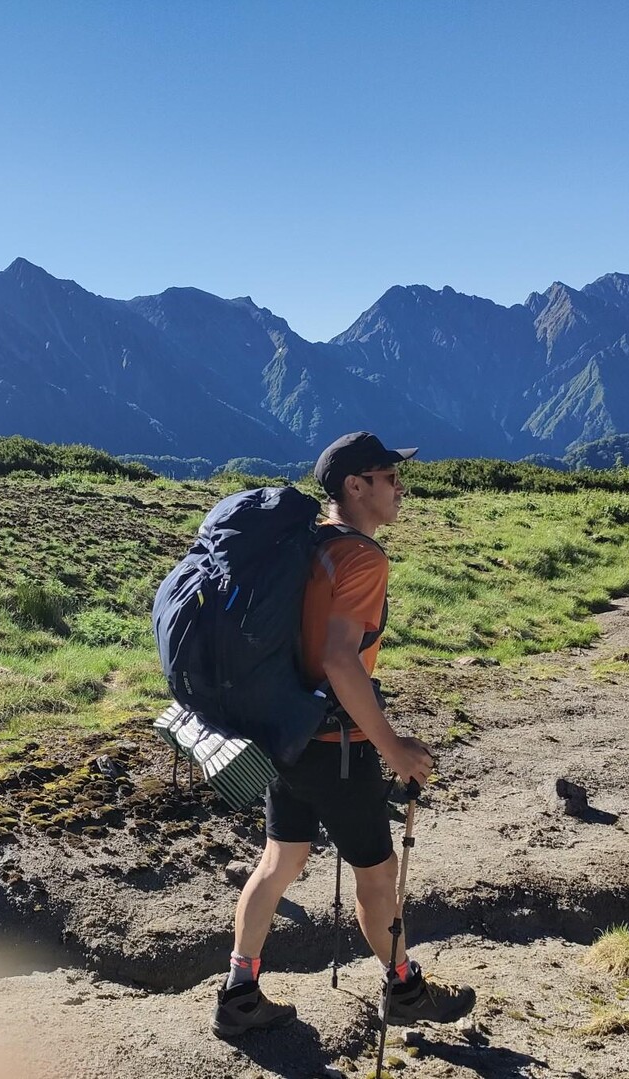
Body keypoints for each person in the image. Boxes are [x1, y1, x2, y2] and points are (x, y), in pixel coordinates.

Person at [212, 431, 477, 1039]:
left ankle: (239, 992)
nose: (400, 488)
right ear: (355, 486)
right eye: (389, 478)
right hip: (337, 747)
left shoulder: (308, 546)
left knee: (279, 861)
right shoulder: (361, 557)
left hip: (286, 732)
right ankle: (404, 989)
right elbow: (339, 658)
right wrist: (393, 747)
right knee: (377, 875)